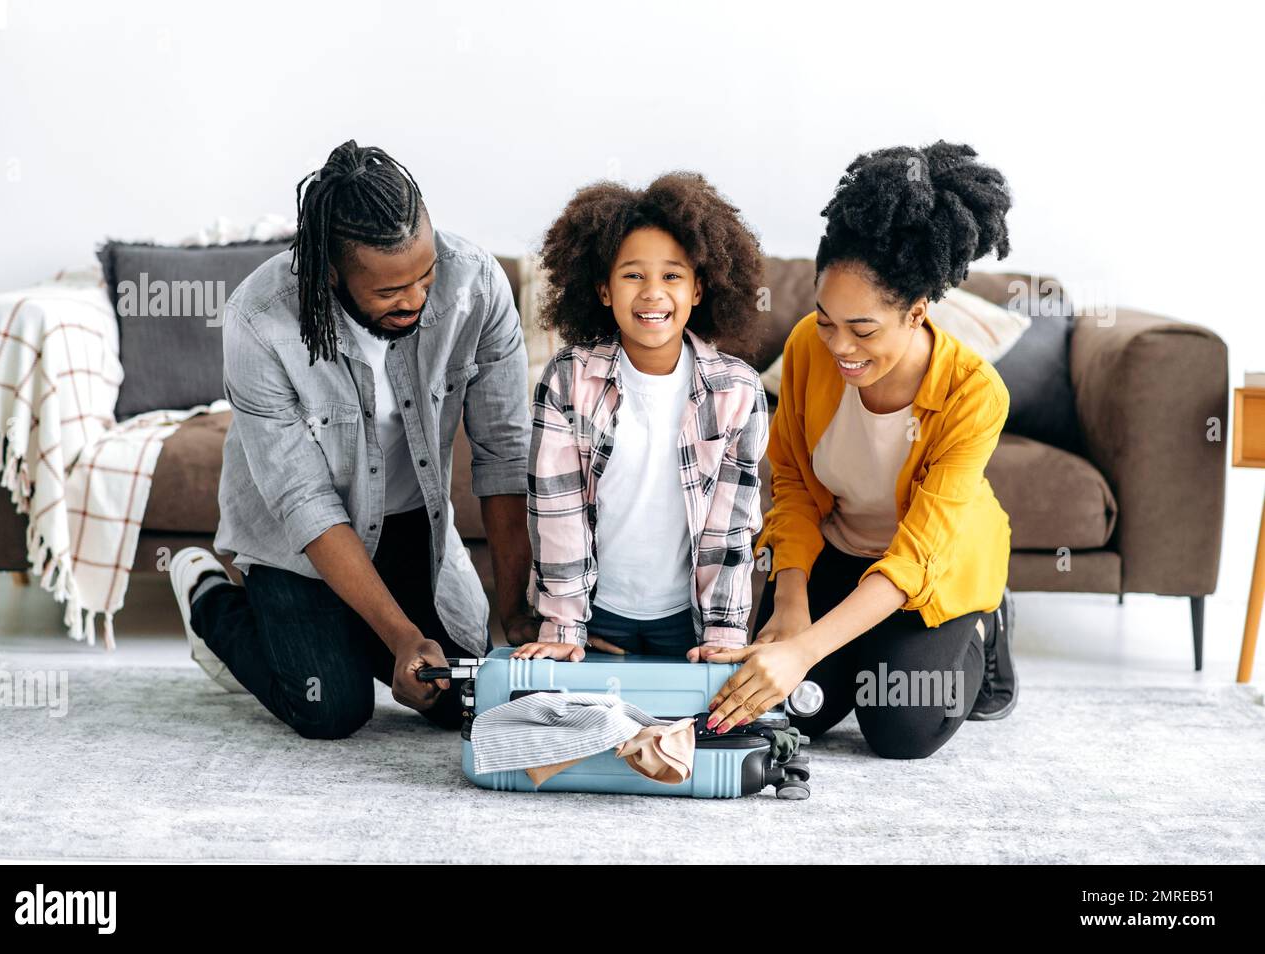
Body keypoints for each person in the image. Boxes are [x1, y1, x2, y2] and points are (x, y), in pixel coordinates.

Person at [167, 140, 536, 739]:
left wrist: (516, 606)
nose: (415, 301)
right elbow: (304, 503)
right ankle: (211, 597)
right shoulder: (259, 321)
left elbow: (504, 452)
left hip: (412, 521)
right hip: (302, 538)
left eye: (425, 276)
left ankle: (339, 634)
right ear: (331, 273)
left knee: (459, 700)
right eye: (390, 292)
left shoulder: (476, 286)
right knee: (330, 709)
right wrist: (399, 636)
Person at [705, 141, 1019, 758]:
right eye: (826, 320)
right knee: (789, 716)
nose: (839, 346)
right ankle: (854, 648)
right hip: (840, 552)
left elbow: (916, 559)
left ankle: (985, 622)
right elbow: (792, 482)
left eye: (863, 329)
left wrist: (803, 651)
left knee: (900, 726)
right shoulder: (806, 349)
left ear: (917, 313)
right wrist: (791, 605)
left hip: (925, 570)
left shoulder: (975, 393)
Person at [510, 173, 769, 661]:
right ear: (604, 291)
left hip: (686, 619)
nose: (652, 293)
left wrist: (724, 635)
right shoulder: (568, 380)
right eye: (633, 275)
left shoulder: (737, 390)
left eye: (672, 276)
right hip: (593, 613)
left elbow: (731, 529)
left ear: (698, 290)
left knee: (693, 730)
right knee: (571, 728)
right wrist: (564, 630)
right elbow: (555, 512)